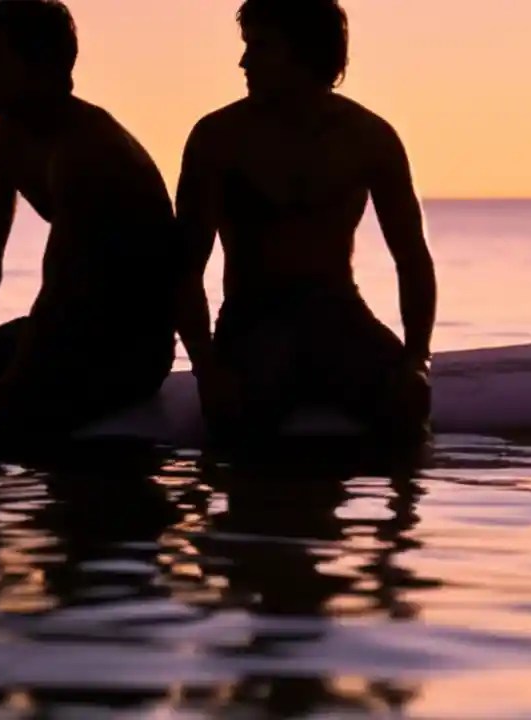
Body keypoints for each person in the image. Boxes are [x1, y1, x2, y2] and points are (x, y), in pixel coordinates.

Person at [0, 0, 178, 456]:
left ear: (41, 64)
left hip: (128, 348)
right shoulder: (4, 141)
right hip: (64, 327)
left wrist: (14, 387)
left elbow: (63, 283)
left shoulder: (89, 149)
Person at [175, 0, 437, 450]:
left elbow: (411, 258)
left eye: (261, 47)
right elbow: (182, 268)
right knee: (239, 436)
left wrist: (416, 360)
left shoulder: (368, 138)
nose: (244, 61)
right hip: (254, 320)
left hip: (340, 316)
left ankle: (400, 521)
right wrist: (207, 369)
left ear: (304, 54)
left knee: (407, 420)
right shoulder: (218, 139)